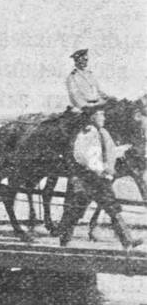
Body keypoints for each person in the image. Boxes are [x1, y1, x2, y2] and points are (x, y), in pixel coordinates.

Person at [56, 104, 141, 249]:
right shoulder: (88, 133)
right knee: (77, 210)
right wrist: (102, 171)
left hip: (98, 179)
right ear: (92, 117)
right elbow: (85, 157)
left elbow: (108, 152)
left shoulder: (101, 132)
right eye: (100, 114)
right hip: (90, 178)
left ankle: (127, 240)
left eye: (103, 114)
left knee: (112, 208)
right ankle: (64, 240)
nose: (103, 117)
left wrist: (123, 150)